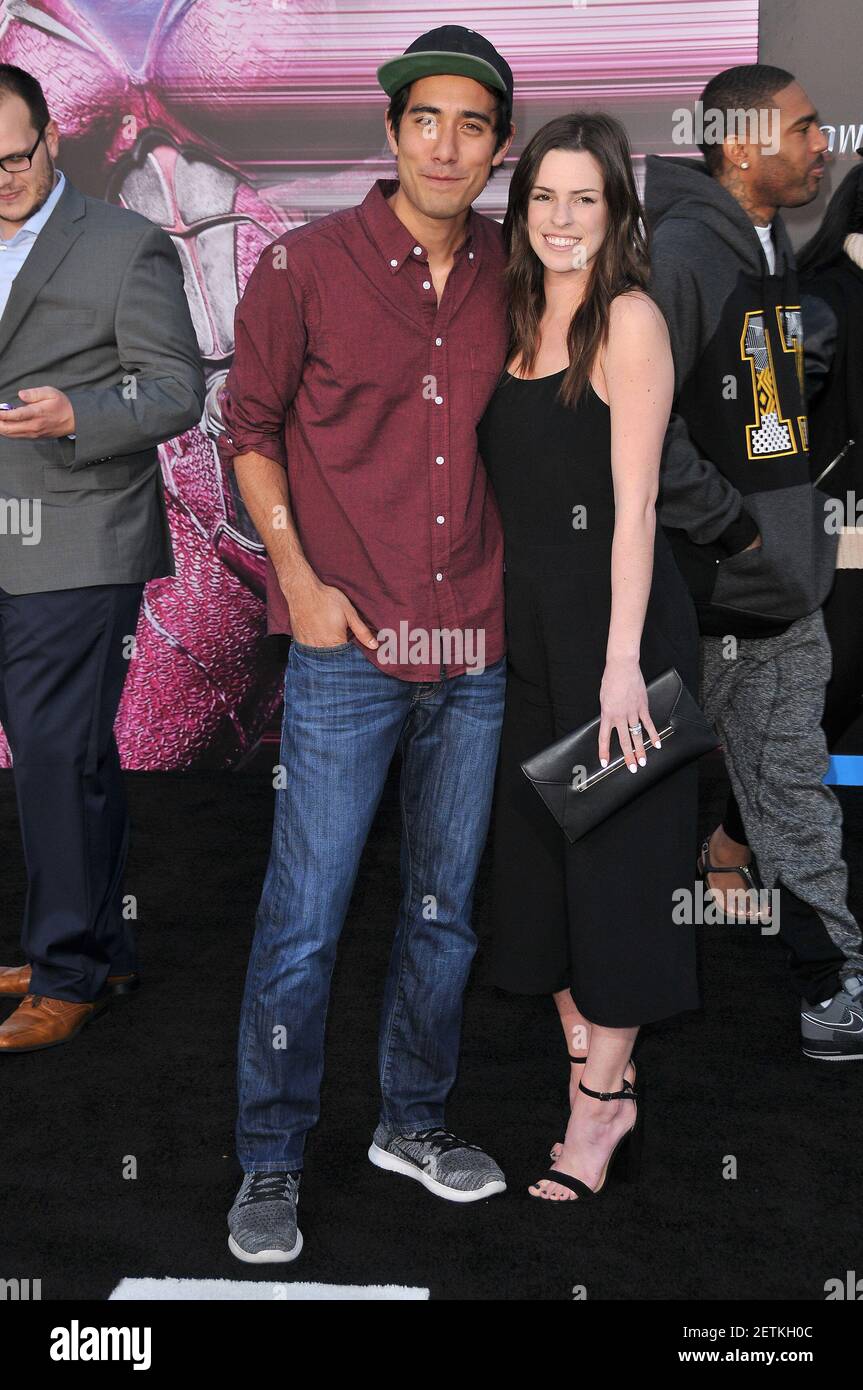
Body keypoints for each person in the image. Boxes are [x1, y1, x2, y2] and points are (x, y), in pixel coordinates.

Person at [218, 26, 516, 1264]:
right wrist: (299, 580)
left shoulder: (518, 260)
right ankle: (271, 1163)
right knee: (306, 918)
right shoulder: (305, 266)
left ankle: (410, 1119)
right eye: (426, 119)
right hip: (345, 641)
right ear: (389, 131)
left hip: (477, 644)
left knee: (444, 914)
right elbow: (249, 428)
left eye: (473, 125)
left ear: (497, 148)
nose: (447, 144)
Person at [478, 112, 700, 1202]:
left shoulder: (627, 320)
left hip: (618, 638)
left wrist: (618, 666)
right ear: (520, 211)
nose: (562, 220)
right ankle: (594, 1053)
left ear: (616, 212)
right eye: (544, 198)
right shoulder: (509, 312)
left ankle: (595, 1110)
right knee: (530, 873)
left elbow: (635, 509)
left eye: (585, 199)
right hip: (527, 640)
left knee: (612, 871)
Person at [644, 65, 863, 1061]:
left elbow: (755, 418)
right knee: (602, 794)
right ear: (740, 148)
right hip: (699, 588)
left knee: (787, 791)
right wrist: (729, 528)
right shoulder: (687, 252)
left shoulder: (760, 248)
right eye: (804, 130)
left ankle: (831, 983)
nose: (823, 147)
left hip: (767, 591)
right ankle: (564, 973)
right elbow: (634, 426)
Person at [0, 64, 204, 1051]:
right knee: (71, 757)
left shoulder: (127, 246)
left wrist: (80, 412)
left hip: (79, 538)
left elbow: (175, 394)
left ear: (50, 140)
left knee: (51, 756)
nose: (1, 178)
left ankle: (66, 973)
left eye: (14, 157)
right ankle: (92, 944)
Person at [798, 157, 863, 747]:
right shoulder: (825, 296)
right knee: (824, 705)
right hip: (842, 551)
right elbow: (773, 429)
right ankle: (731, 840)